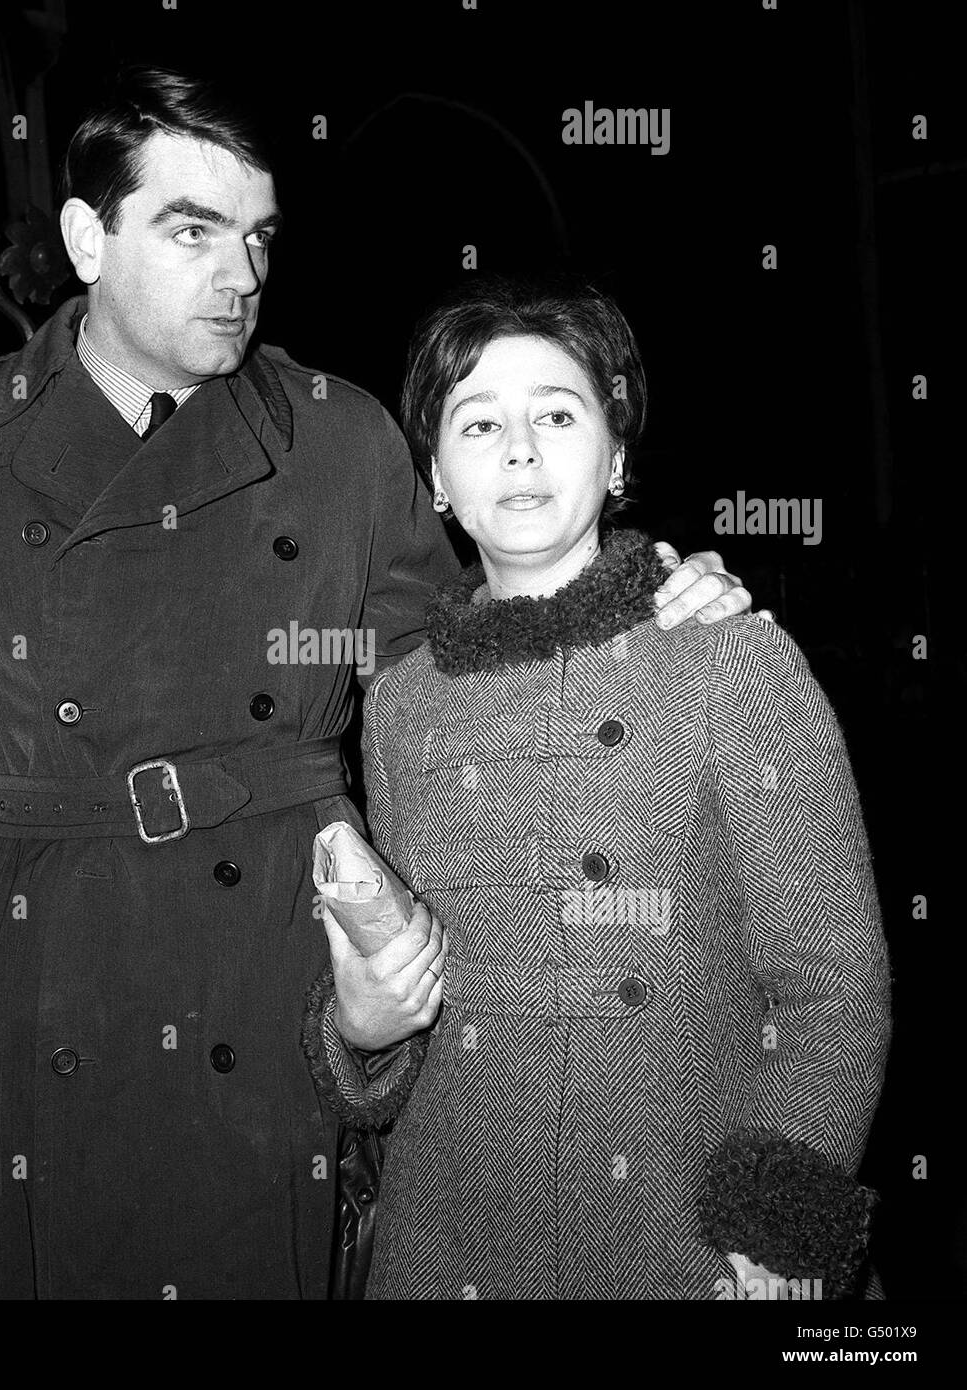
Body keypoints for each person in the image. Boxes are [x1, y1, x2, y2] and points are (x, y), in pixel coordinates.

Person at [0, 67, 753, 1299]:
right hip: (40, 989)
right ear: (88, 239)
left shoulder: (335, 436)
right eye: (191, 231)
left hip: (274, 976)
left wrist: (641, 596)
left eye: (255, 236)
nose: (240, 273)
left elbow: (459, 673)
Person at [302, 275, 891, 1300]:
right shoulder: (399, 707)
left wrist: (780, 1215)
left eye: (557, 413)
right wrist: (357, 1027)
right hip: (444, 1250)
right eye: (476, 422)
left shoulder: (727, 661)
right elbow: (396, 1028)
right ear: (433, 474)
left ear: (615, 454)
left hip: (681, 1243)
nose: (518, 449)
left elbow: (831, 981)